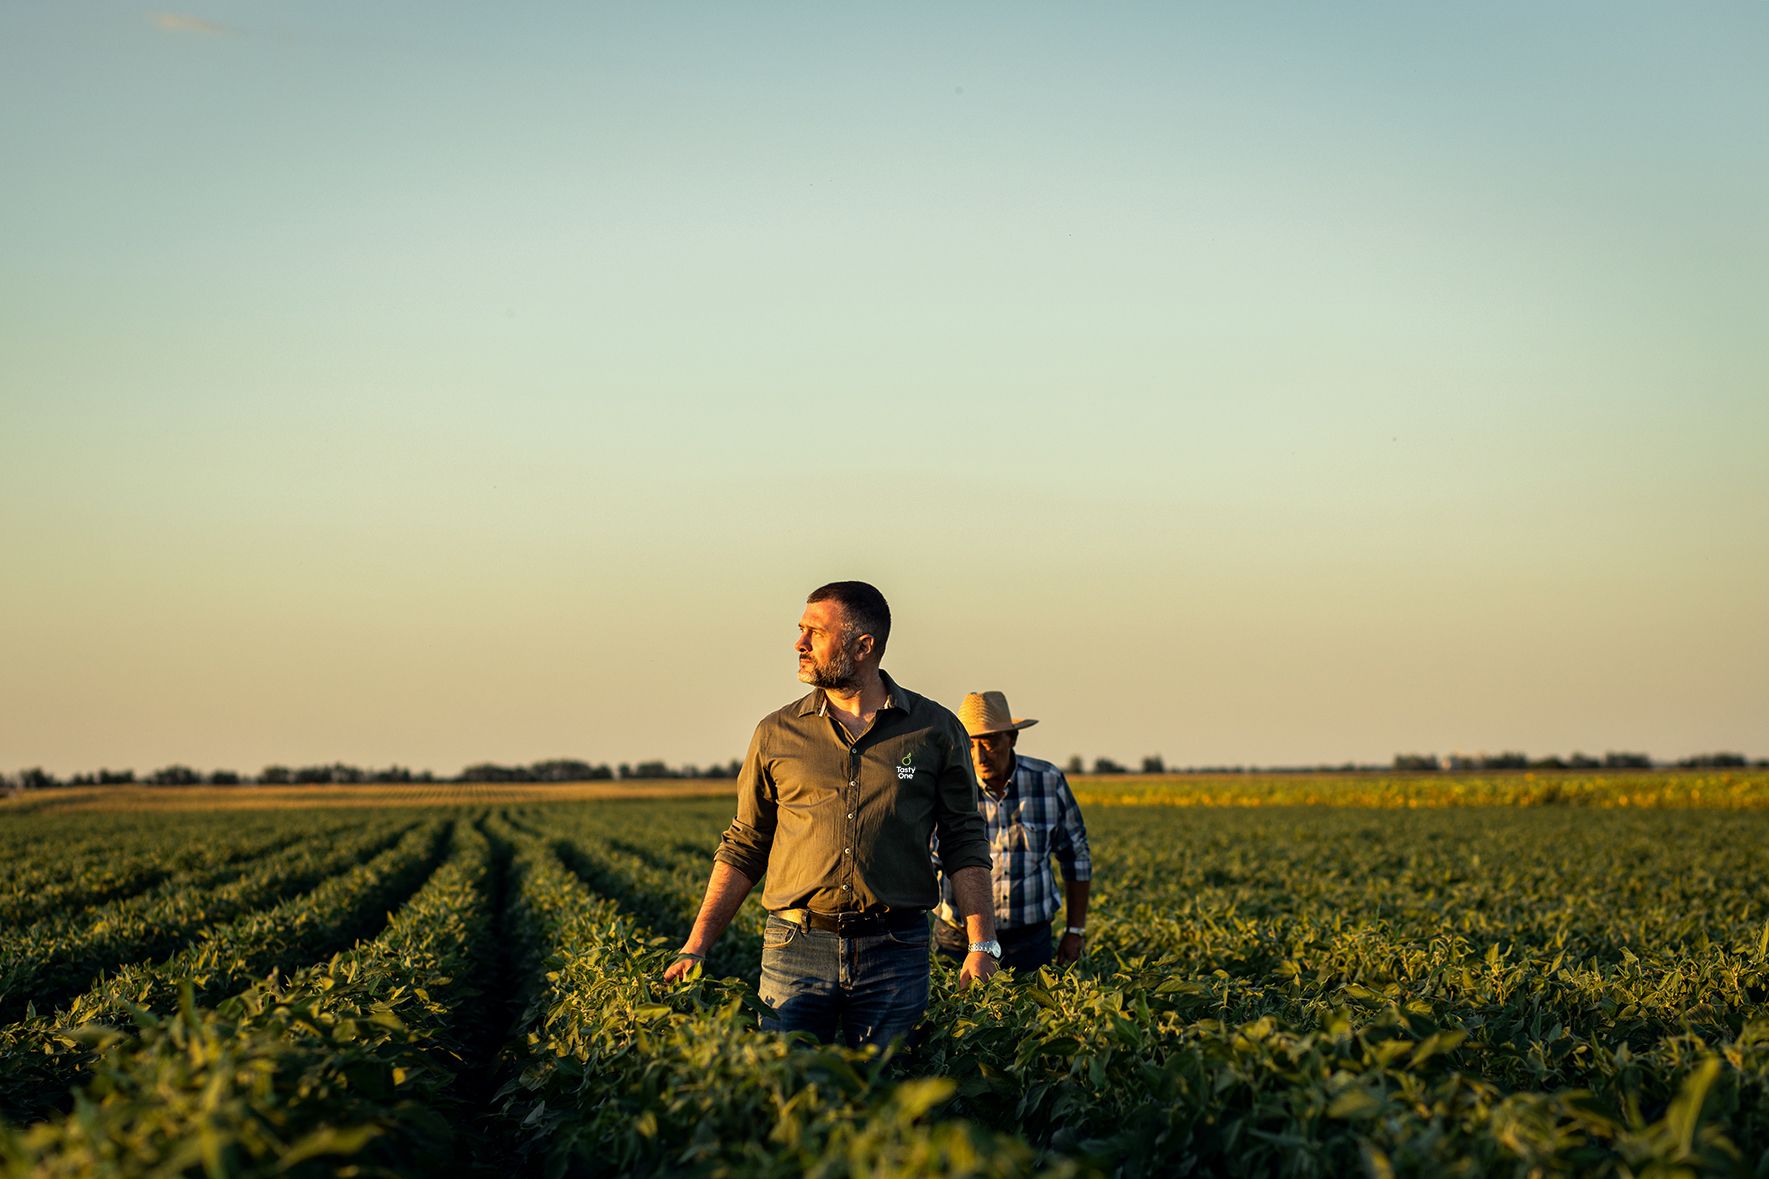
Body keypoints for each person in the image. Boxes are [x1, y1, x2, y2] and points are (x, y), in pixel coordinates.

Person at [662, 581, 1002, 1048]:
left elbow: (964, 839)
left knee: (891, 1095)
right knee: (792, 1093)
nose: (799, 644)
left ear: (864, 646)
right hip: (794, 949)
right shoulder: (776, 733)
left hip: (896, 950)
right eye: (801, 630)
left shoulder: (934, 729)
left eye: (815, 634)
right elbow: (745, 844)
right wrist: (696, 946)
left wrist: (981, 944)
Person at [932, 691, 1093, 973]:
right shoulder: (945, 786)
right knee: (959, 1013)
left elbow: (1076, 856)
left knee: (1033, 1015)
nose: (980, 756)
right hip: (958, 938)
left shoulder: (1046, 781)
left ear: (1012, 739)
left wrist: (1075, 929)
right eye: (969, 745)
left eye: (990, 743)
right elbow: (924, 859)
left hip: (1029, 939)